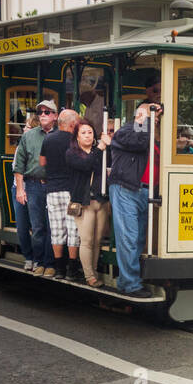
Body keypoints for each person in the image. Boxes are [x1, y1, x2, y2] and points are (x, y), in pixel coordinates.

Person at [107, 99, 160, 298]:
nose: (155, 120)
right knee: (128, 238)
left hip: (145, 192)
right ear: (140, 114)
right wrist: (143, 121)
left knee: (137, 238)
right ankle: (130, 284)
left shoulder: (151, 135)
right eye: (152, 115)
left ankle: (128, 280)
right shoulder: (126, 131)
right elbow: (138, 142)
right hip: (125, 189)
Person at [14, 101, 57, 274]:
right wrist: (19, 189)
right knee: (38, 227)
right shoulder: (29, 136)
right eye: (40, 112)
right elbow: (19, 165)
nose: (43, 115)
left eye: (47, 112)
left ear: (54, 115)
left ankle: (51, 263)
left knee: (53, 226)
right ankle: (39, 262)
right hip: (33, 185)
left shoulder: (62, 135)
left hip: (54, 185)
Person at [66, 119, 111, 287]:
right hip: (84, 203)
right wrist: (100, 148)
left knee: (97, 240)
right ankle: (89, 276)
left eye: (90, 132)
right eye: (83, 133)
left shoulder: (102, 151)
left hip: (101, 201)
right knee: (86, 240)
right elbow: (86, 165)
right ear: (77, 137)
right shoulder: (71, 153)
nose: (87, 136)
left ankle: (93, 271)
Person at [39, 109, 81, 280]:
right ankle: (72, 270)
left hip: (53, 191)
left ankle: (59, 269)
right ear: (72, 124)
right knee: (73, 229)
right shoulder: (75, 140)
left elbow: (42, 162)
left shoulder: (48, 138)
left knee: (56, 230)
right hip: (72, 191)